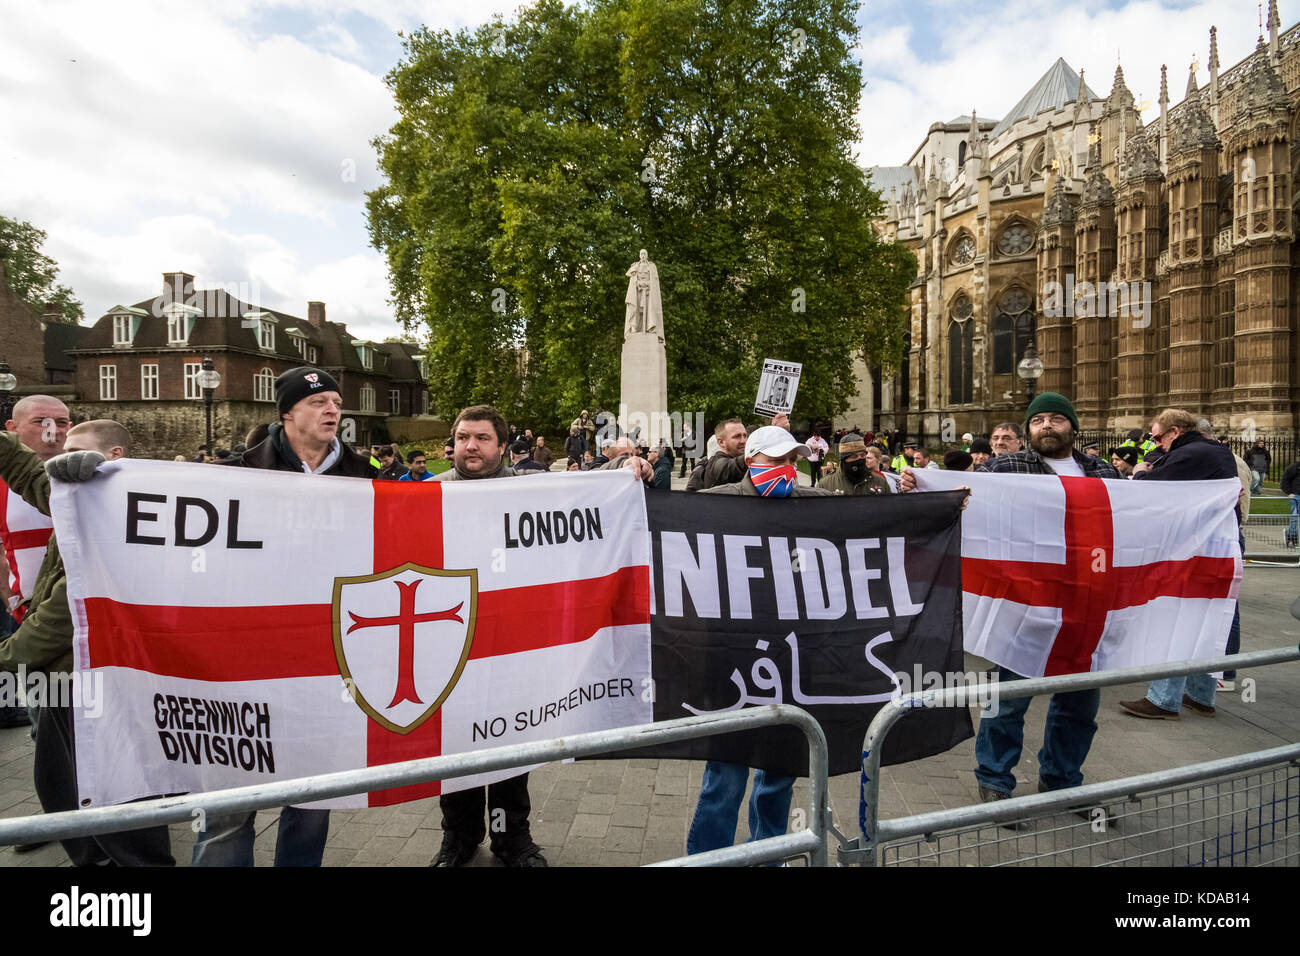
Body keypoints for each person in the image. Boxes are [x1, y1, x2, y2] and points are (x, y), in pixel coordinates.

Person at [904, 393, 1119, 818]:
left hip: (1085, 609)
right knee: (1010, 698)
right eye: (1038, 420)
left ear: (1073, 428)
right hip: (1028, 607)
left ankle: (1062, 782)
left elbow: (1141, 514)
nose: (1047, 427)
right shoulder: (1007, 466)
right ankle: (995, 780)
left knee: (1079, 707)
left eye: (1057, 419)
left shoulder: (1102, 471)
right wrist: (920, 486)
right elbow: (964, 495)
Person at [195, 367, 376, 867]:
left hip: (325, 659)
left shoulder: (364, 477)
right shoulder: (238, 472)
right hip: (245, 663)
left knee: (314, 799)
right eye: (318, 401)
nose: (332, 410)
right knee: (230, 808)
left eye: (337, 402)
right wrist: (95, 475)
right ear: (287, 412)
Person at [4, 420, 174, 865]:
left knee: (115, 791)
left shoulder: (117, 509)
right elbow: (27, 474)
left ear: (113, 458)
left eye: (75, 450)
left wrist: (7, 658)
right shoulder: (79, 495)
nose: (61, 458)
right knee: (60, 784)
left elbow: (67, 611)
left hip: (90, 675)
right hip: (64, 673)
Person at [686, 425, 830, 854]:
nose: (787, 470)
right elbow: (645, 513)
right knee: (725, 778)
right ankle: (709, 859)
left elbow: (882, 514)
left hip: (793, 660)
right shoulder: (714, 504)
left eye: (793, 461)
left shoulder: (817, 504)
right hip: (730, 662)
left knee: (778, 775)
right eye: (775, 460)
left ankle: (766, 855)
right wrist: (625, 465)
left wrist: (927, 494)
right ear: (750, 461)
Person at [431, 405, 544, 867]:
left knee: (507, 744)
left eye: (481, 438)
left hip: (508, 642)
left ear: (502, 446)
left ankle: (510, 836)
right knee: (453, 746)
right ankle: (458, 838)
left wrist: (628, 465)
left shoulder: (529, 492)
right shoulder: (427, 493)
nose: (470, 446)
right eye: (462, 437)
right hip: (448, 640)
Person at [1119, 409, 1242, 719]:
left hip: (1191, 551)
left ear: (1174, 432)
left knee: (1172, 619)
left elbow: (1155, 489)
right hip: (1216, 550)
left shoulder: (1190, 454)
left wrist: (1142, 472)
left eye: (1158, 438)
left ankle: (1163, 700)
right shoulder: (1215, 452)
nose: (1157, 445)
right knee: (1203, 620)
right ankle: (1201, 696)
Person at [1, 395, 71, 730]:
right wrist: (15, 603)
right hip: (28, 621)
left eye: (62, 422)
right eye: (40, 421)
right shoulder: (4, 485)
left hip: (80, 624)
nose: (52, 431)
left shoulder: (93, 478)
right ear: (12, 429)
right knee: (44, 724)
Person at [686, 419, 748, 492]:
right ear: (721, 442)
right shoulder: (717, 463)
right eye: (737, 436)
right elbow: (731, 465)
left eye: (745, 435)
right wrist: (755, 456)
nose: (743, 441)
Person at [820, 434, 891, 495]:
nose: (859, 459)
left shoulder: (880, 481)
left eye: (862, 455)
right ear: (844, 459)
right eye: (854, 456)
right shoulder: (826, 484)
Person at [1283, 458, 1300, 550]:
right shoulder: (1294, 467)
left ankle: (1290, 534)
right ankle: (1293, 537)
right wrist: (1289, 492)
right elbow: (1285, 480)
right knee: (1295, 516)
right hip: (1295, 496)